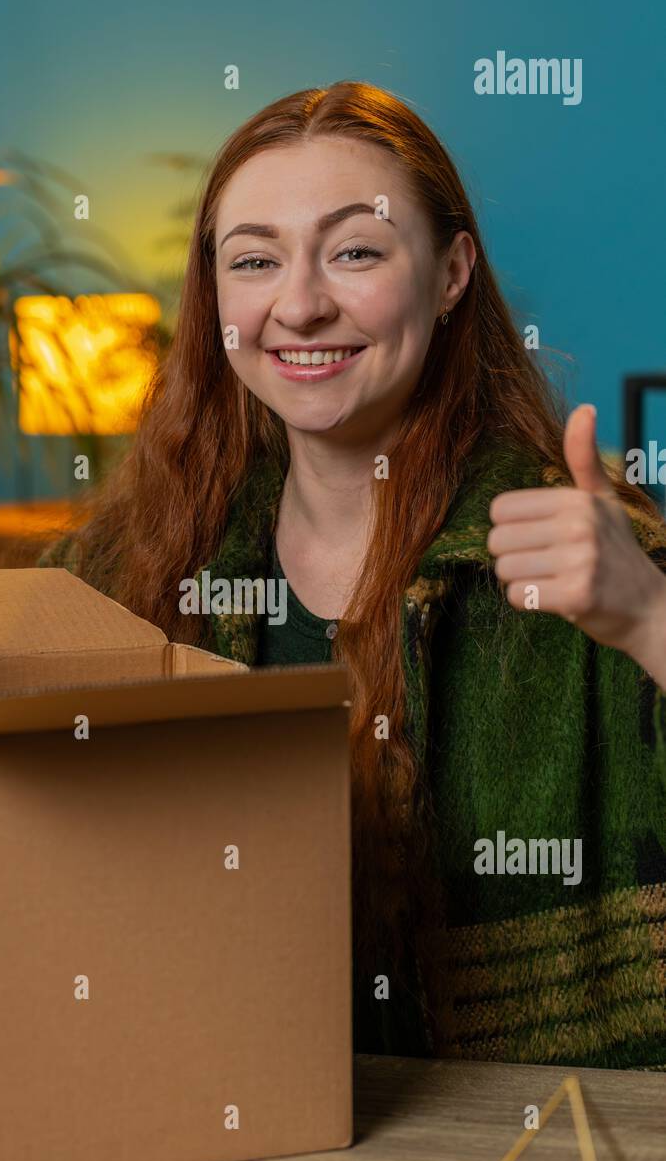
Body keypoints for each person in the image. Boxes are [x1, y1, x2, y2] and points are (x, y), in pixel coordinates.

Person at [40, 81, 666, 1069]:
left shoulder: (597, 554)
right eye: (253, 260)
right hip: (216, 1129)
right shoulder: (116, 573)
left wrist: (648, 619)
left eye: (355, 250)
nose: (298, 303)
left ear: (451, 272)